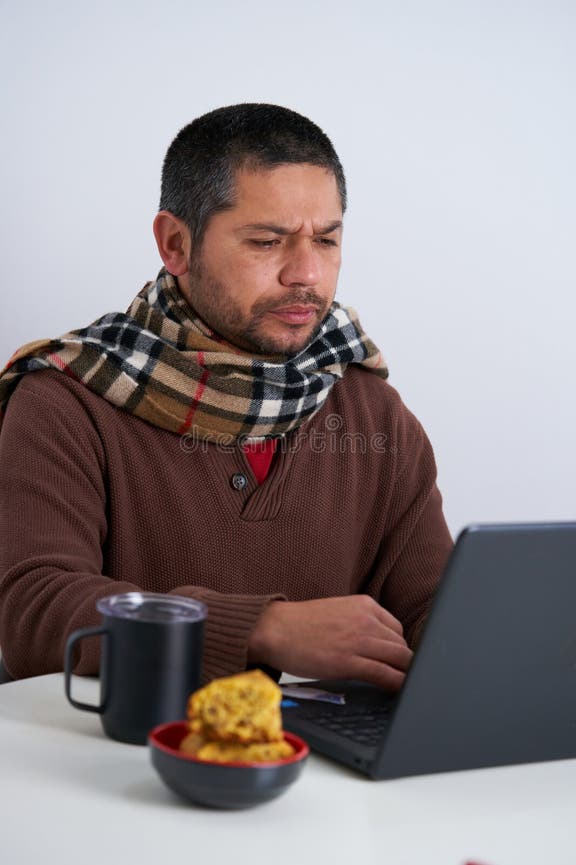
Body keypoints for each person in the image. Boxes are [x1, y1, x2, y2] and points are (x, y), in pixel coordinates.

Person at [0, 103, 453, 688]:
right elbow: (33, 614)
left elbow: (434, 608)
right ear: (175, 245)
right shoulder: (65, 401)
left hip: (322, 770)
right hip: (110, 766)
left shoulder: (372, 411)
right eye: (268, 242)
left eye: (327, 239)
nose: (307, 274)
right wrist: (262, 630)